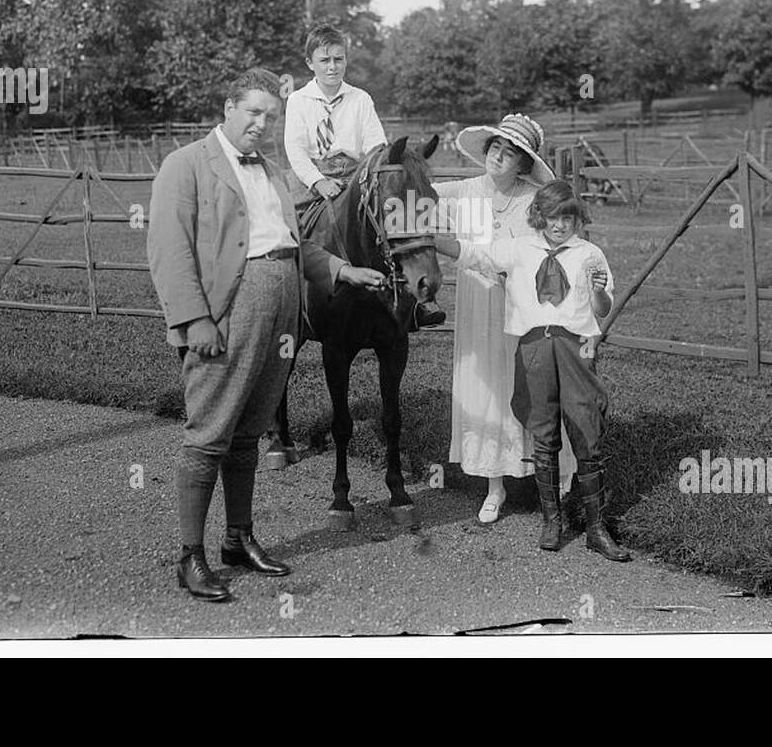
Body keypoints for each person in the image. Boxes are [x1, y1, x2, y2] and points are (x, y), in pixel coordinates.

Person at [148, 67, 388, 602]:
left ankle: (238, 538)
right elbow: (169, 253)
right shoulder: (185, 166)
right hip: (228, 313)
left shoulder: (277, 173)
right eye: (252, 112)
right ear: (229, 108)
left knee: (248, 432)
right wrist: (195, 322)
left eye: (271, 116)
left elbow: (297, 246)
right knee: (209, 431)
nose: (261, 123)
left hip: (282, 312)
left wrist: (346, 272)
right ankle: (191, 555)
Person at [434, 180, 631, 561]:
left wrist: (598, 292)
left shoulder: (590, 254)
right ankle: (551, 521)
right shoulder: (520, 249)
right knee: (543, 431)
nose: (560, 225)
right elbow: (475, 255)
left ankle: (596, 528)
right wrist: (430, 242)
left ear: (579, 218)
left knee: (585, 428)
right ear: (540, 217)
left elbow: (603, 309)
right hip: (534, 348)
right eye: (553, 217)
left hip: (575, 348)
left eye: (568, 217)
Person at [432, 114, 576, 525]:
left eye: (510, 152)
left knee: (531, 385)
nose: (499, 156)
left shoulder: (534, 199)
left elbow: (560, 245)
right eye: (496, 147)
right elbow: (409, 197)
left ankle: (557, 478)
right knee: (486, 385)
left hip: (522, 308)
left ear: (523, 164)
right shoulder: (464, 191)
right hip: (478, 306)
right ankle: (494, 487)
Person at [283, 23, 388, 205]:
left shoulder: (360, 98)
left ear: (346, 60)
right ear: (310, 63)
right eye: (324, 60)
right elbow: (296, 150)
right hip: (312, 174)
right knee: (288, 216)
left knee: (382, 212)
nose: (332, 67)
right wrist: (318, 181)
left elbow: (376, 145)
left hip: (354, 174)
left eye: (338, 59)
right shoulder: (298, 100)